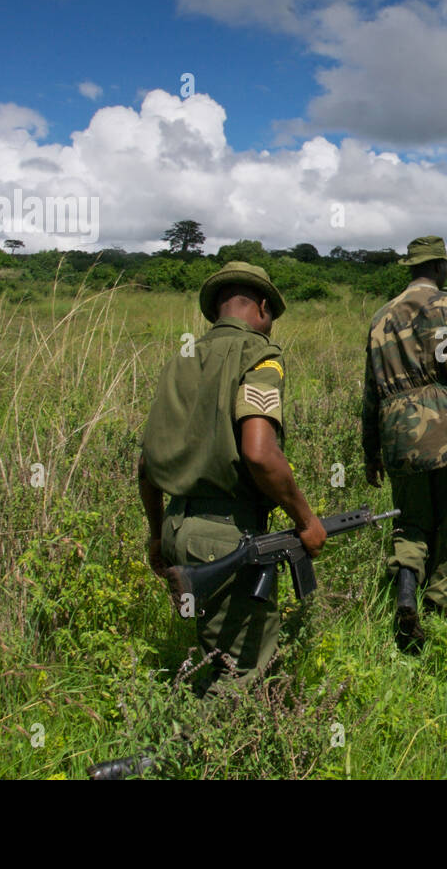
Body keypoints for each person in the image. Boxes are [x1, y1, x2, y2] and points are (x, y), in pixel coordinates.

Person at [138, 260, 326, 690]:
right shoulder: (259, 356)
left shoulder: (180, 361)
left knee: (213, 656)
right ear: (263, 307)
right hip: (224, 538)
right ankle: (164, 757)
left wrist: (155, 535)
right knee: (238, 677)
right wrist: (306, 521)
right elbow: (260, 454)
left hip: (176, 527)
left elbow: (147, 464)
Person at [362, 236, 447, 652]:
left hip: (396, 438)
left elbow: (369, 393)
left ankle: (405, 594)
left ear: (411, 268)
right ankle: (437, 610)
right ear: (440, 268)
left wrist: (371, 452)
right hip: (445, 433)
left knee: (411, 520)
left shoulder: (380, 318)